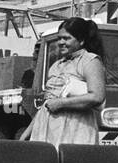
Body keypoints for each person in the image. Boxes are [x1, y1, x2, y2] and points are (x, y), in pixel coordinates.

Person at [20, 17, 106, 146]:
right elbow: (47, 104)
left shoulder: (90, 61)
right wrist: (26, 134)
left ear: (81, 41)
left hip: (75, 129)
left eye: (66, 38)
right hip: (47, 129)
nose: (61, 42)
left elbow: (97, 96)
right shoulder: (56, 65)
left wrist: (61, 103)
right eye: (59, 38)